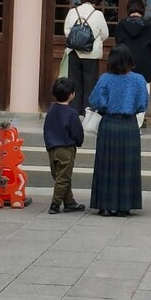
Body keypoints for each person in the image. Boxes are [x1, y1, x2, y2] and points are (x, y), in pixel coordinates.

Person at [87, 43, 149, 217]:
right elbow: (142, 104)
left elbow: (95, 101)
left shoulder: (105, 79)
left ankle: (105, 205)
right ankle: (124, 205)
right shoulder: (138, 80)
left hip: (109, 124)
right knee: (127, 166)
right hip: (129, 126)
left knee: (106, 164)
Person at [63, 0, 110, 116]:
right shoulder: (98, 14)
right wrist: (92, 39)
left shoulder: (73, 12)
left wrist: (77, 41)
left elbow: (67, 30)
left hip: (74, 51)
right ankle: (88, 112)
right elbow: (105, 34)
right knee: (90, 83)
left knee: (74, 82)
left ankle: (74, 111)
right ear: (96, 0)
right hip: (91, 53)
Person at [43, 78, 86, 215]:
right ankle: (55, 204)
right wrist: (78, 141)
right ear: (72, 94)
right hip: (66, 148)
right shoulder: (72, 114)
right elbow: (77, 133)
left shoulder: (51, 110)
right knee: (64, 177)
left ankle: (69, 202)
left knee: (59, 175)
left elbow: (46, 129)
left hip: (52, 147)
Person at [114, 0, 151, 85]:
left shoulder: (121, 25)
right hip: (144, 65)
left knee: (124, 94)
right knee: (142, 95)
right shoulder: (148, 26)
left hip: (124, 64)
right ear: (142, 9)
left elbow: (117, 42)